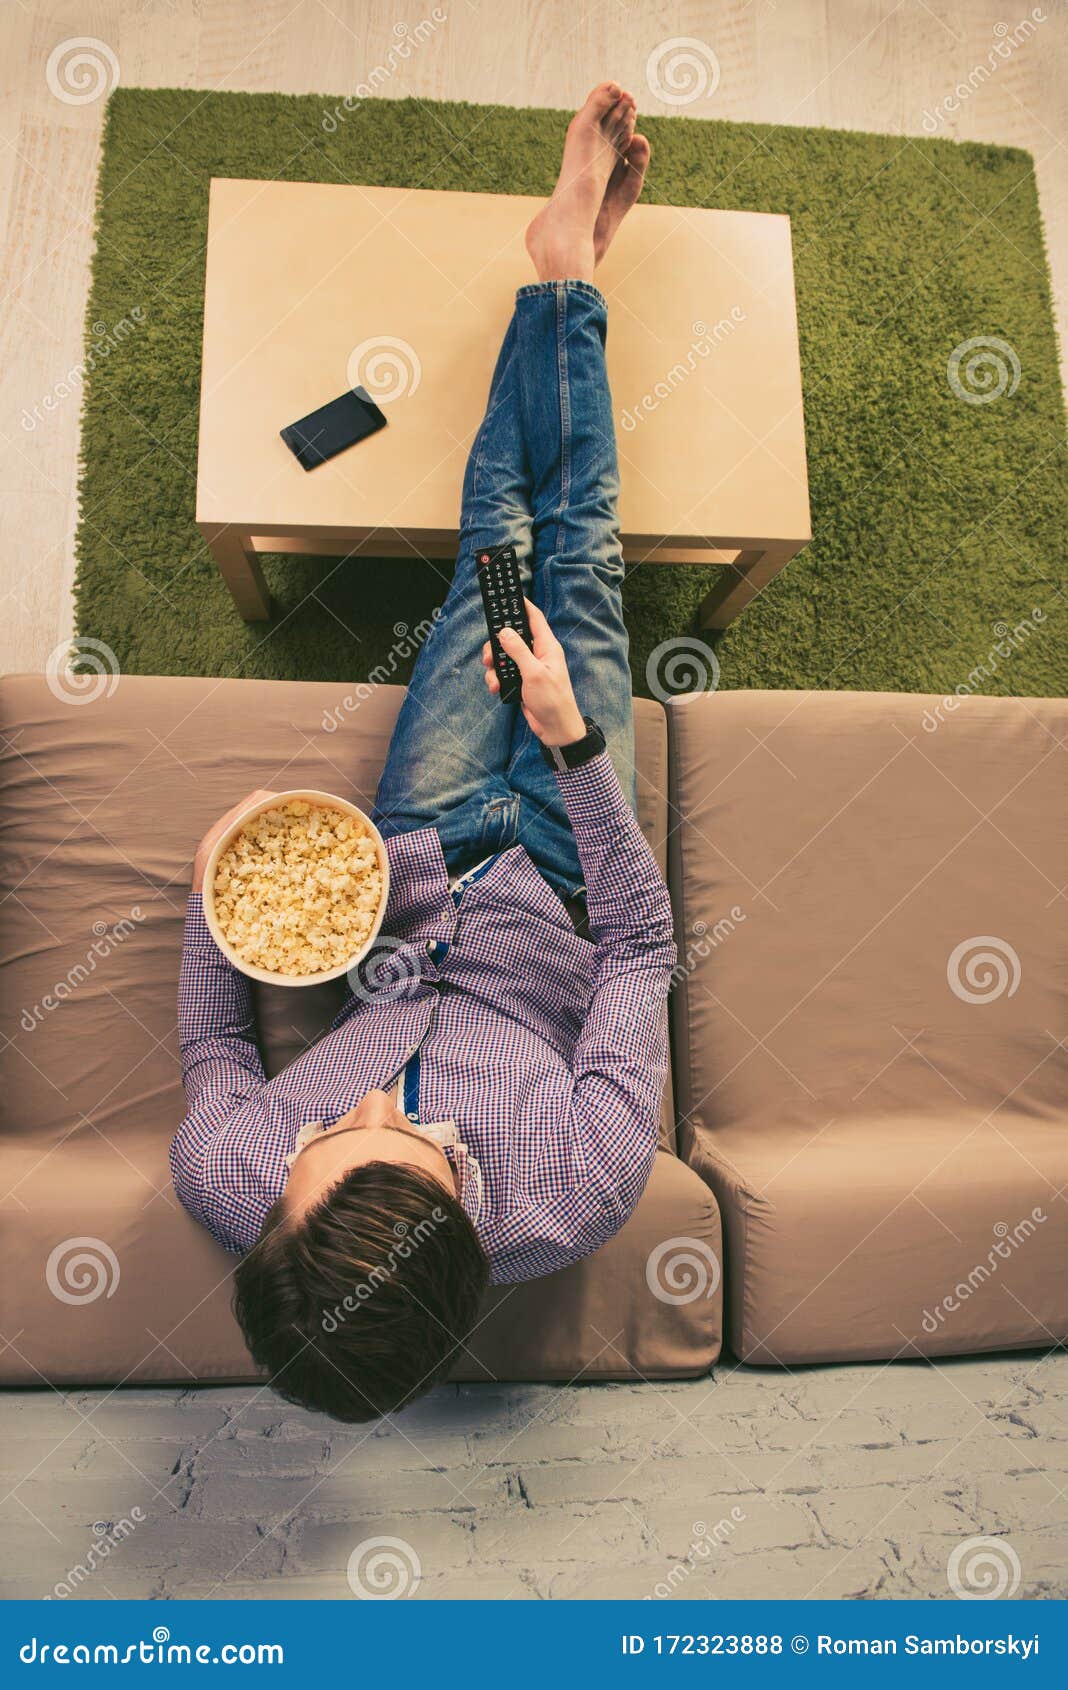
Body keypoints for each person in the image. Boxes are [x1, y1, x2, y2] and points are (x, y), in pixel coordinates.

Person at [172, 83, 675, 1423]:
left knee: (494, 549)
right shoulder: (585, 1182)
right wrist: (570, 746)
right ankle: (563, 273)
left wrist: (215, 889)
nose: (338, 1112)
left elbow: (219, 1034)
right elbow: (641, 952)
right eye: (414, 1136)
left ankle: (561, 275)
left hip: (419, 845)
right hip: (572, 863)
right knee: (584, 552)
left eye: (322, 1136)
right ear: (471, 1229)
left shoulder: (233, 1176)